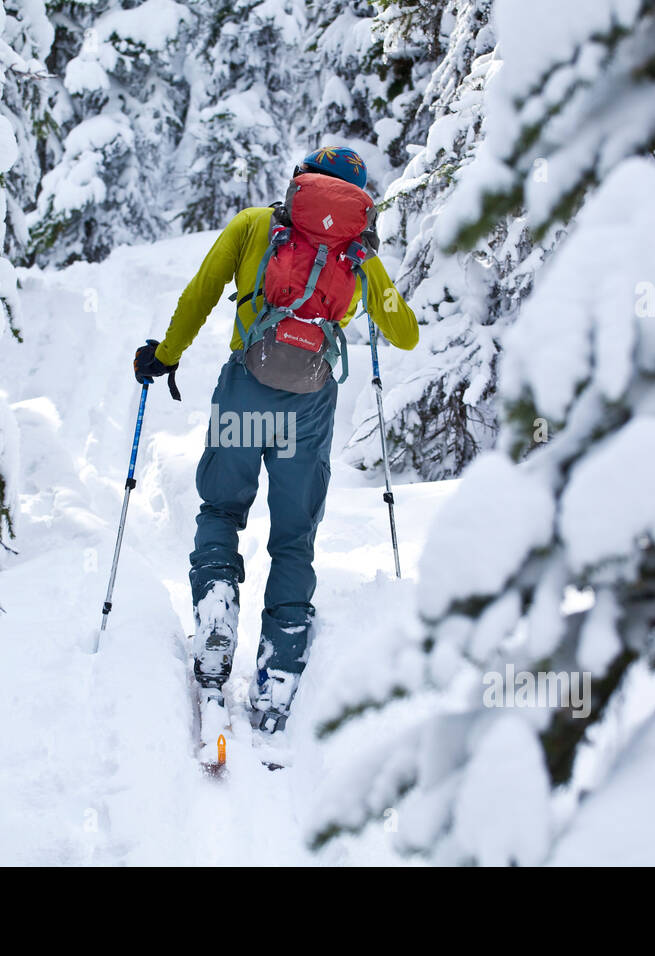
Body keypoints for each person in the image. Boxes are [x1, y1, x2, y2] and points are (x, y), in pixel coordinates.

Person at [133, 146, 418, 732]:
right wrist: (368, 278)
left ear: (299, 185)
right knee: (293, 538)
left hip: (245, 391)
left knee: (222, 508)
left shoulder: (256, 225)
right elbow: (405, 334)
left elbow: (200, 295)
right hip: (309, 410)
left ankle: (216, 605)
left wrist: (164, 356)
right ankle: (280, 670)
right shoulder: (359, 256)